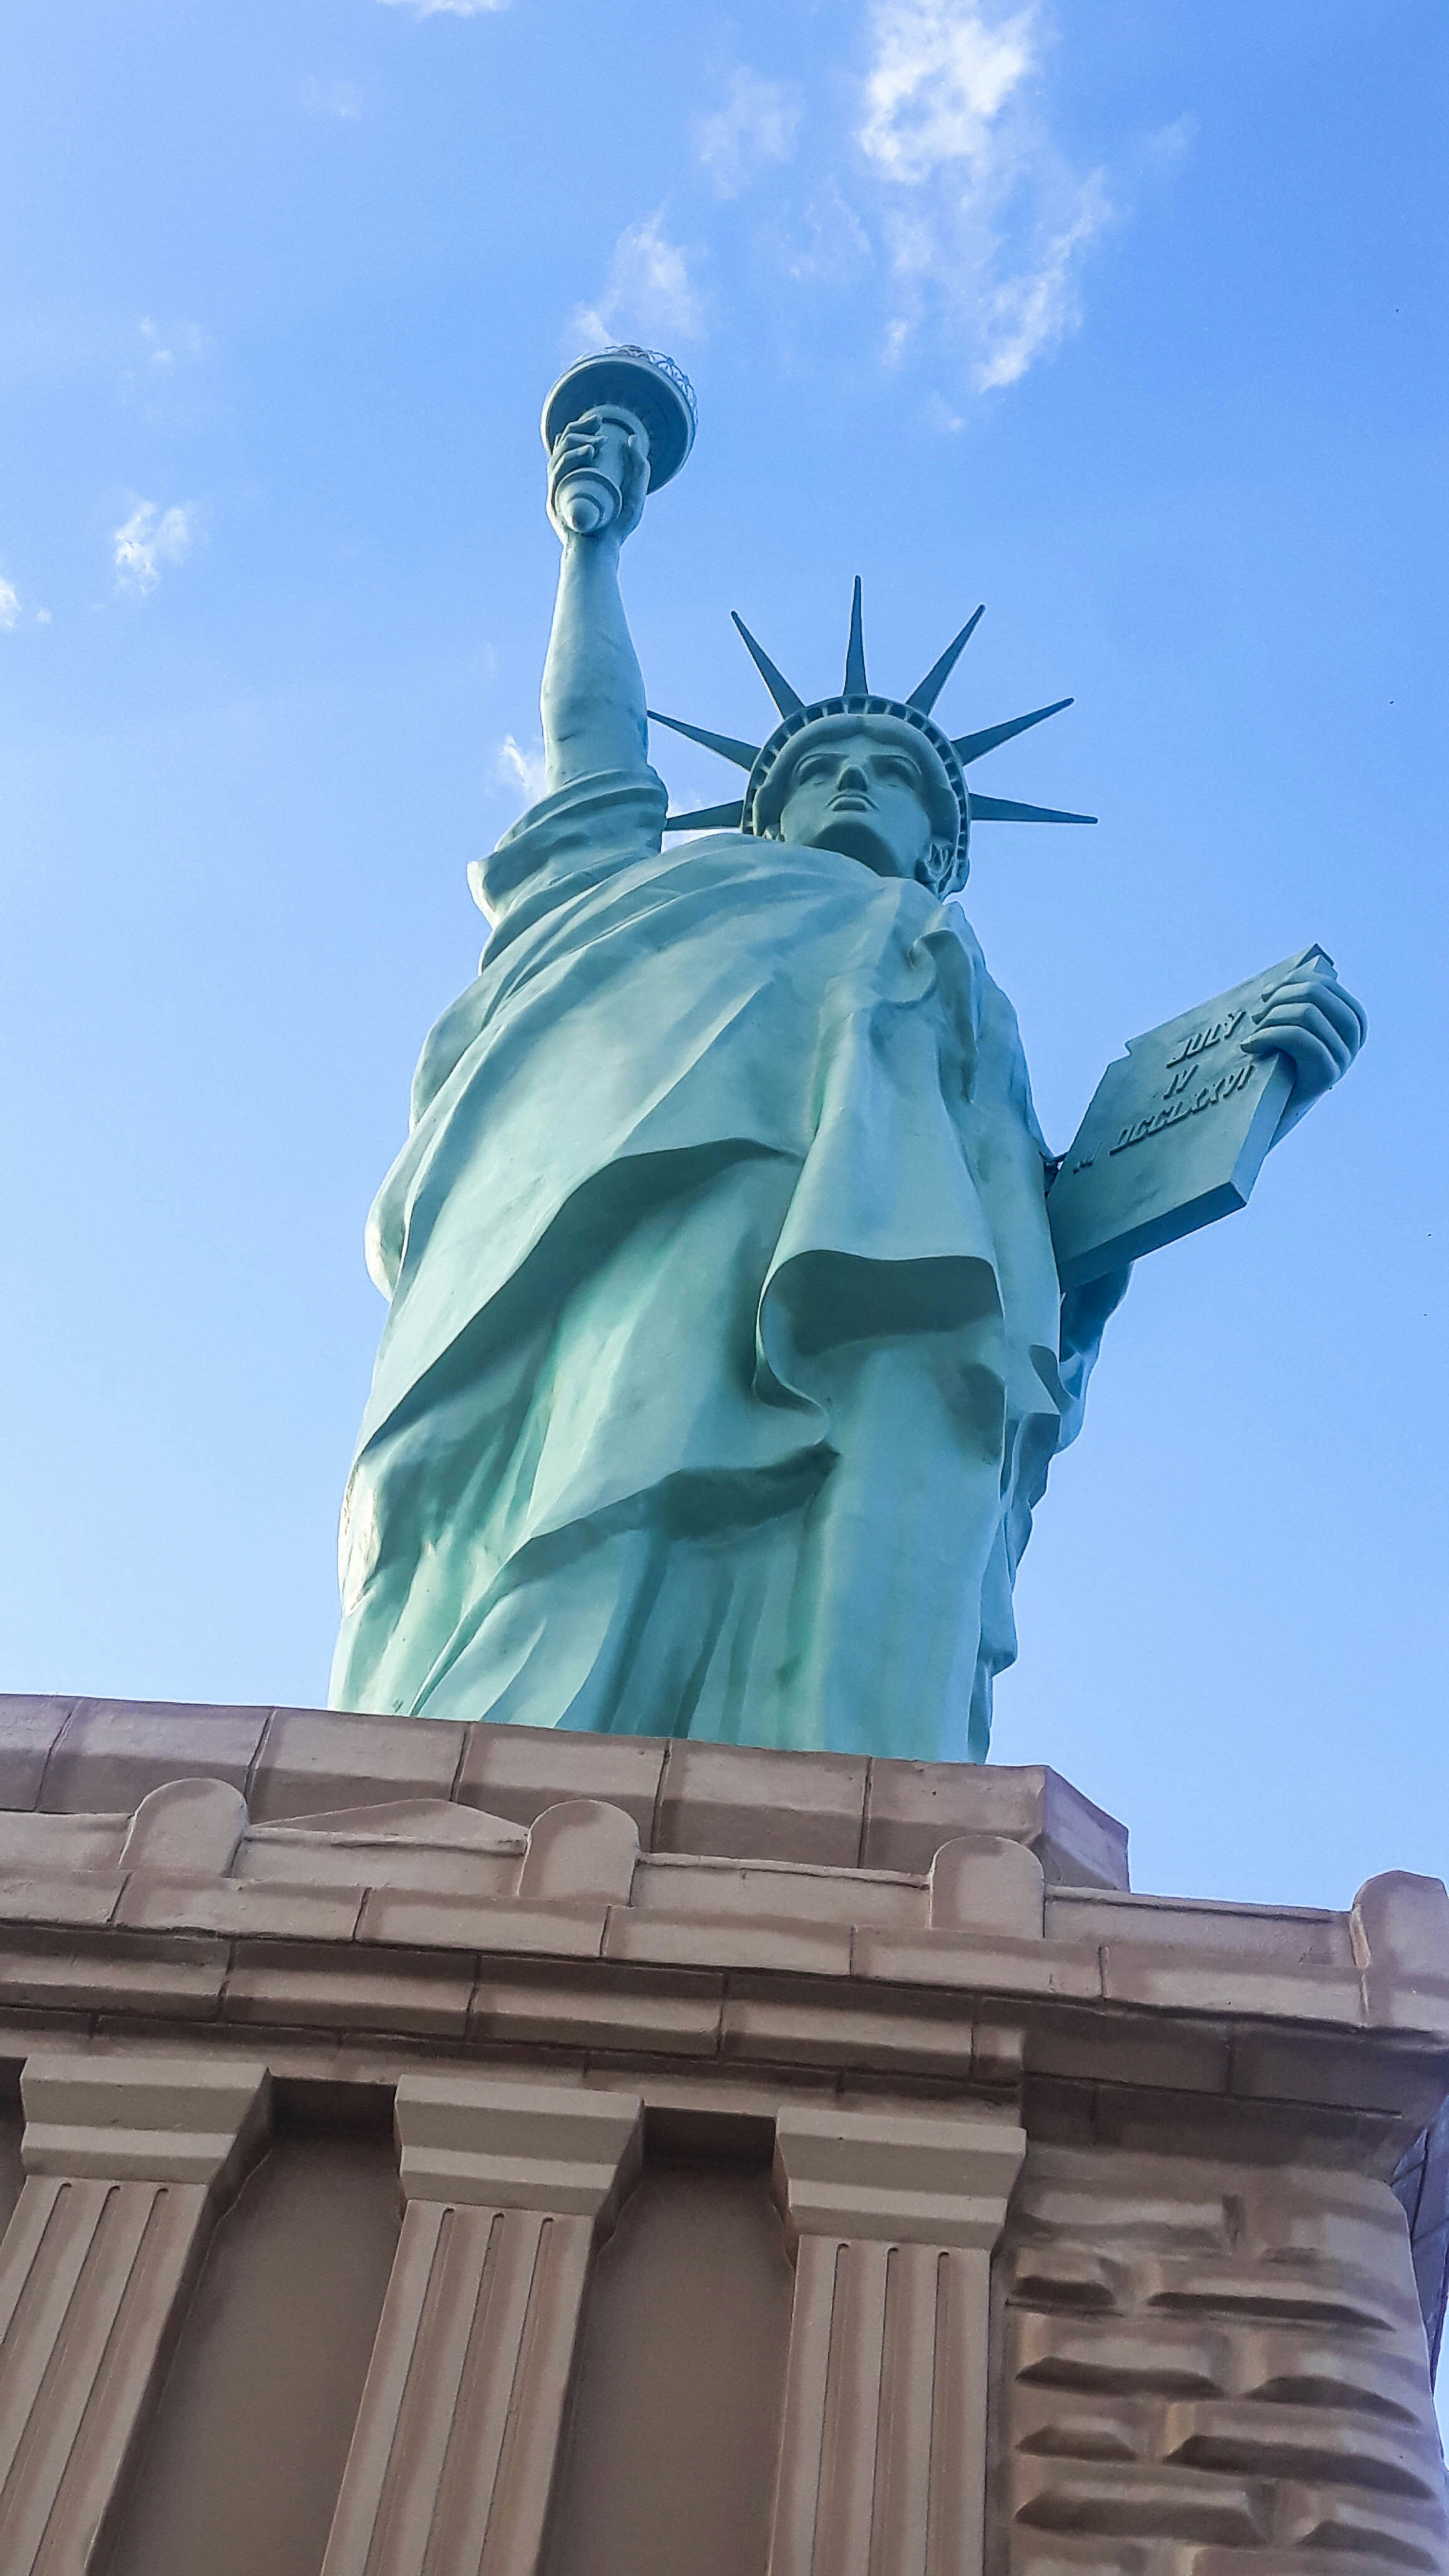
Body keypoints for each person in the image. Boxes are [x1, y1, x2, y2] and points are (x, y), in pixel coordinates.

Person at [329, 401, 1364, 1759]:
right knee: (600, 1499)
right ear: (767, 810)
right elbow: (595, 761)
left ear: (944, 851)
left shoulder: (952, 974)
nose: (861, 786)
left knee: (876, 1613)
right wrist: (593, 544)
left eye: (897, 780)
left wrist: (1248, 1088)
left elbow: (1041, 1265)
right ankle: (484, 1815)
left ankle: (849, 1856)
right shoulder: (660, 897)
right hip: (664, 1223)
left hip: (914, 1315)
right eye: (830, 770)